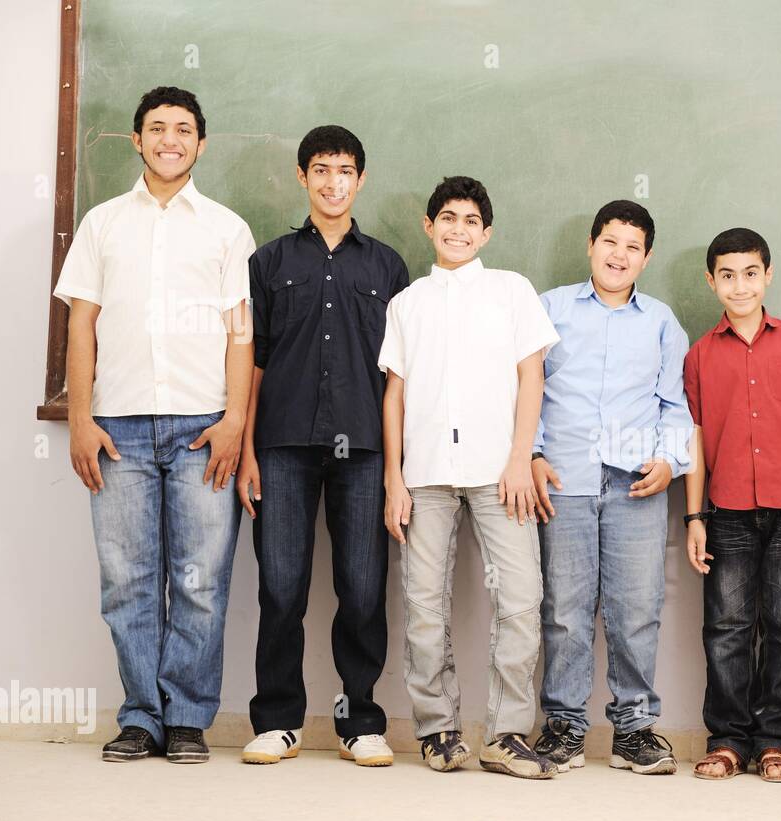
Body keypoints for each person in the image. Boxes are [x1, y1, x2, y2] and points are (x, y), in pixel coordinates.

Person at [55, 86, 255, 763]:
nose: (170, 138)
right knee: (127, 579)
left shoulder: (227, 228)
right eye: (157, 128)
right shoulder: (102, 224)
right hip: (117, 427)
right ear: (137, 140)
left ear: (202, 144)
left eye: (184, 129)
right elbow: (80, 324)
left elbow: (240, 333)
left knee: (201, 577)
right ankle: (141, 714)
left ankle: (189, 716)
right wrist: (79, 417)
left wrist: (235, 418)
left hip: (203, 424)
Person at [238, 126, 410, 767]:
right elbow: (252, 363)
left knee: (363, 587)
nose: (333, 181)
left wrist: (400, 467)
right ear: (302, 177)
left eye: (345, 170)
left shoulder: (388, 266)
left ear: (360, 180)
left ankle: (360, 719)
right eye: (321, 169)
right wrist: (248, 448)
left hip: (364, 446)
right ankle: (278, 719)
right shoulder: (270, 262)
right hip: (282, 442)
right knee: (280, 585)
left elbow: (400, 376)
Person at [380, 176, 561, 779]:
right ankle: (438, 731)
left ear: (487, 232)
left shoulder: (511, 292)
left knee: (522, 598)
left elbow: (531, 378)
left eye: (471, 220)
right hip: (425, 472)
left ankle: (507, 733)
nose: (458, 229)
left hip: (498, 471)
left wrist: (518, 457)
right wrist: (393, 478)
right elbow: (395, 395)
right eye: (447, 218)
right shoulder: (406, 303)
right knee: (423, 602)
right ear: (429, 227)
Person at [530, 200, 692, 774]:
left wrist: (672, 462)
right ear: (591, 245)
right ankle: (565, 727)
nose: (619, 254)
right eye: (610, 242)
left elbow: (676, 405)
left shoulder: (662, 322)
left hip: (636, 486)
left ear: (645, 259)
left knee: (636, 608)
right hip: (565, 477)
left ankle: (634, 730)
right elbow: (525, 390)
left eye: (632, 247)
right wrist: (532, 453)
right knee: (566, 609)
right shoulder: (549, 310)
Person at [683, 227, 781, 782]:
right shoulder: (700, 355)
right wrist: (695, 516)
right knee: (726, 627)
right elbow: (696, 439)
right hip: (725, 512)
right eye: (727, 275)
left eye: (750, 273)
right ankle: (728, 739)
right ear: (712, 281)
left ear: (768, 276)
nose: (740, 285)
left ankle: (776, 740)